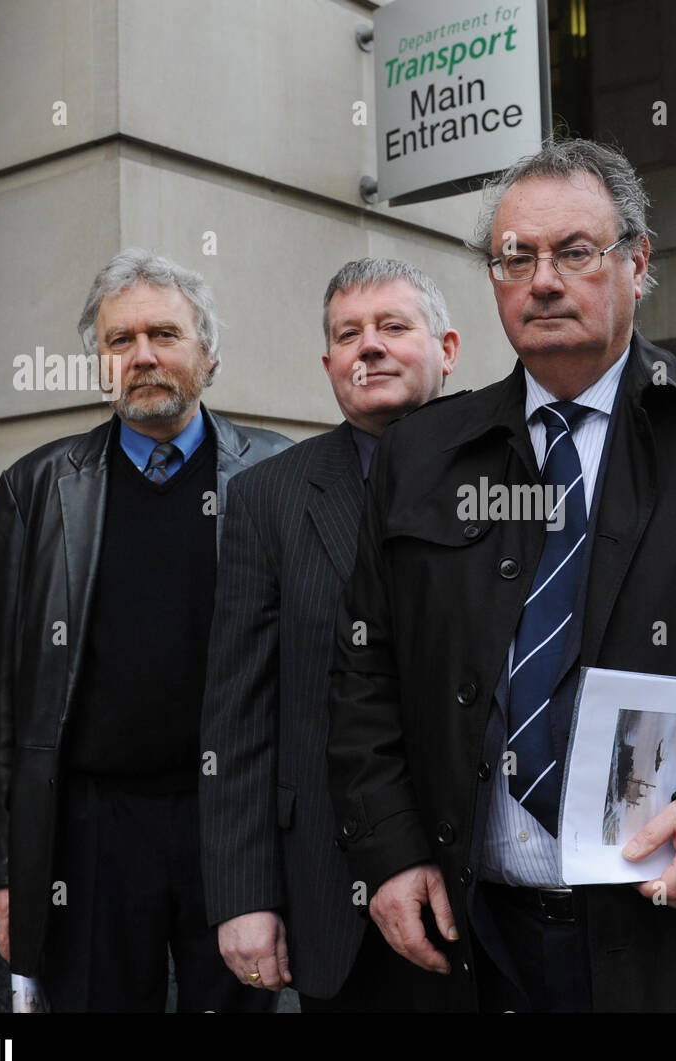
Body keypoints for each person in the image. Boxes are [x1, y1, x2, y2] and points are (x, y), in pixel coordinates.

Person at [326, 139, 676, 1012]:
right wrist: (389, 851)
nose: (543, 280)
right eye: (516, 257)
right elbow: (364, 672)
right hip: (483, 939)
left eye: (576, 252)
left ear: (637, 261)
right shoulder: (422, 455)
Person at [0, 247, 291, 1011]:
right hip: (90, 832)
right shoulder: (36, 489)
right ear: (99, 363)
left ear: (208, 354)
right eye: (120, 341)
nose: (142, 356)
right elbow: (8, 693)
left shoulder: (279, 476)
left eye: (164, 334)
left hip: (236, 824)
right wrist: (4, 870)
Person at [199, 258, 459, 1010]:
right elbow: (237, 712)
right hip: (330, 889)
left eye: (392, 327)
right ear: (328, 365)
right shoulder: (267, 498)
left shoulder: (518, 470)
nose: (367, 347)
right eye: (348, 335)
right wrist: (244, 896)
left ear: (446, 349)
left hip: (488, 888)